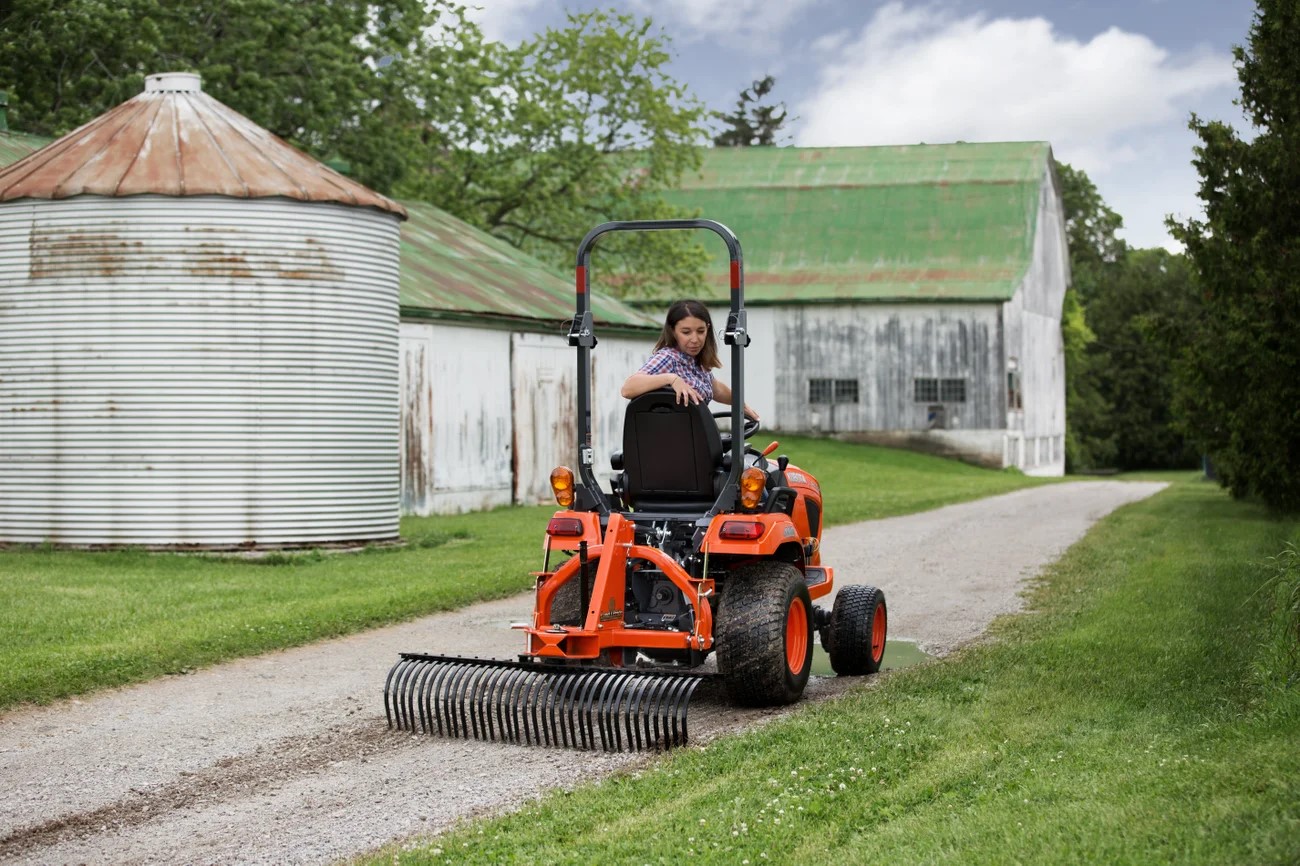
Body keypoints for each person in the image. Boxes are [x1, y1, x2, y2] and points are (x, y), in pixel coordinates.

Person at [620, 299, 759, 421]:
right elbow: (628, 388)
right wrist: (671, 379)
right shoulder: (668, 358)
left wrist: (741, 404)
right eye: (686, 332)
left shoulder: (696, 361)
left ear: (707, 329)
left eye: (700, 331)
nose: (695, 339)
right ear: (673, 331)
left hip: (697, 434)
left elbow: (716, 388)